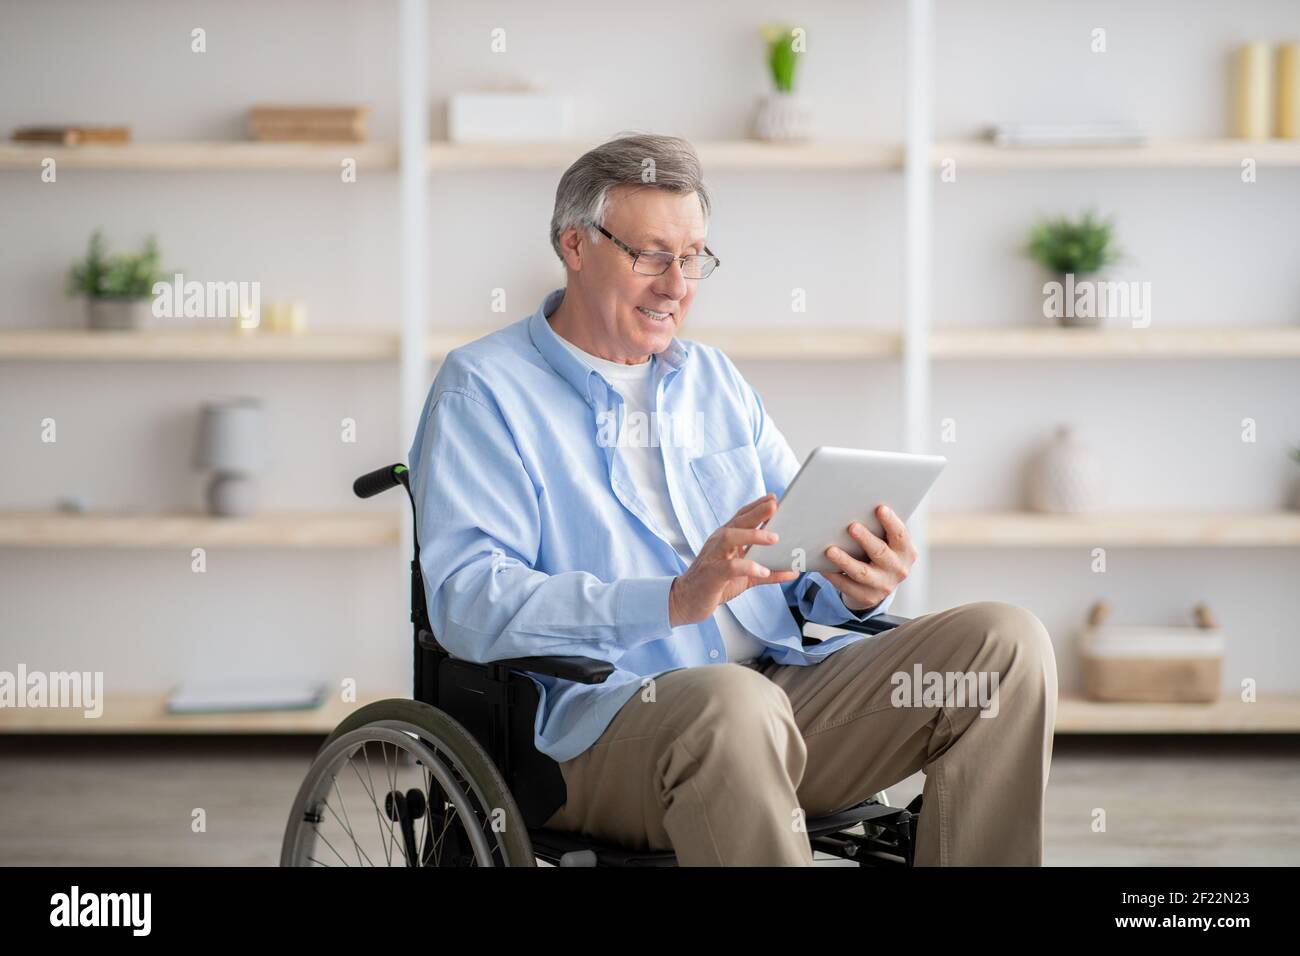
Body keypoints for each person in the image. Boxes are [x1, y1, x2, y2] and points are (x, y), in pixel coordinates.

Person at [408, 133, 1057, 865]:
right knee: (735, 706)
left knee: (1006, 645)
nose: (676, 285)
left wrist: (853, 585)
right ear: (575, 246)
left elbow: (791, 552)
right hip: (601, 732)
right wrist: (671, 600)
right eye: (651, 255)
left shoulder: (711, 379)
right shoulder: (484, 390)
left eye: (693, 258)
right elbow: (468, 604)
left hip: (781, 698)